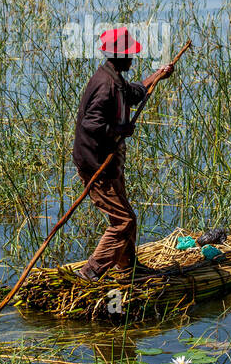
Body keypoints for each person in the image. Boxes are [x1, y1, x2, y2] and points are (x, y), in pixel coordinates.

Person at [72, 27, 174, 280]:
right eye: (129, 55)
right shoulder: (106, 85)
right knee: (124, 220)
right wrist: (121, 128)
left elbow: (134, 93)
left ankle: (129, 267)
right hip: (96, 164)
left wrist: (158, 75)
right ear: (120, 57)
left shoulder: (113, 78)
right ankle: (91, 271)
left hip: (108, 163)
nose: (132, 59)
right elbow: (91, 124)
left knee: (126, 214)